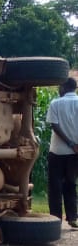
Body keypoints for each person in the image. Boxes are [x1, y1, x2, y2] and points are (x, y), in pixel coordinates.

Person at [46, 76, 78, 227]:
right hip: (75, 153)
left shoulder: (55, 103)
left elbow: (54, 126)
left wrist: (69, 142)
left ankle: (55, 217)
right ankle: (72, 217)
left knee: (55, 185)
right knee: (71, 184)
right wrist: (74, 145)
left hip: (57, 151)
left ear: (64, 88)